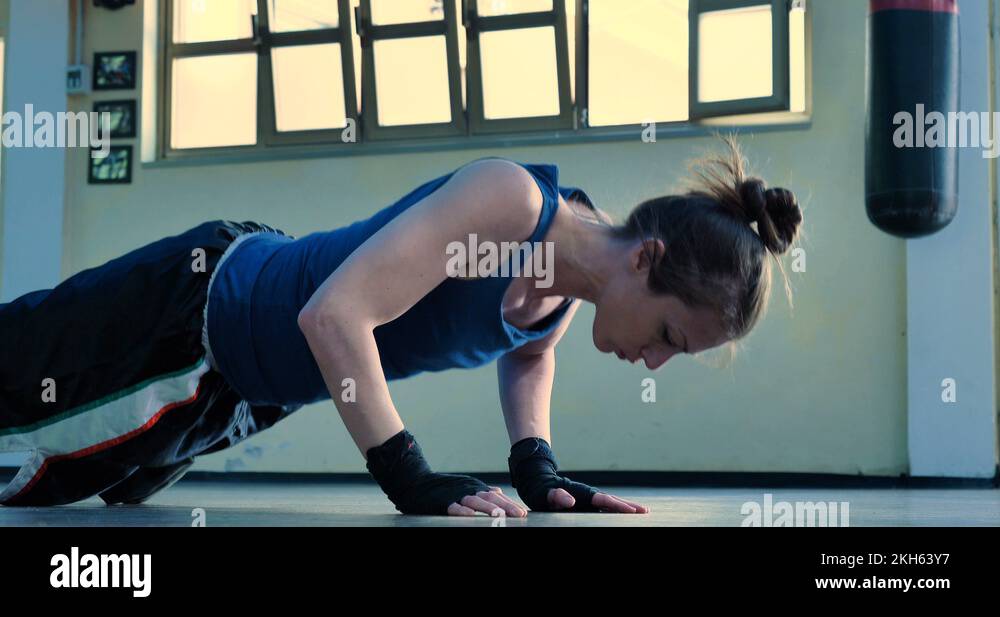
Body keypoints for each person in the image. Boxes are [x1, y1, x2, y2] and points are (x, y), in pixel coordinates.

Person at [0, 138, 802, 515]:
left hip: (238, 392)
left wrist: (539, 468)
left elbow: (526, 358)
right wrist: (409, 475)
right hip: (198, 314)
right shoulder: (513, 203)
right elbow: (333, 315)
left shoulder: (563, 290)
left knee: (71, 488)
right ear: (645, 259)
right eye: (670, 334)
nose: (654, 362)